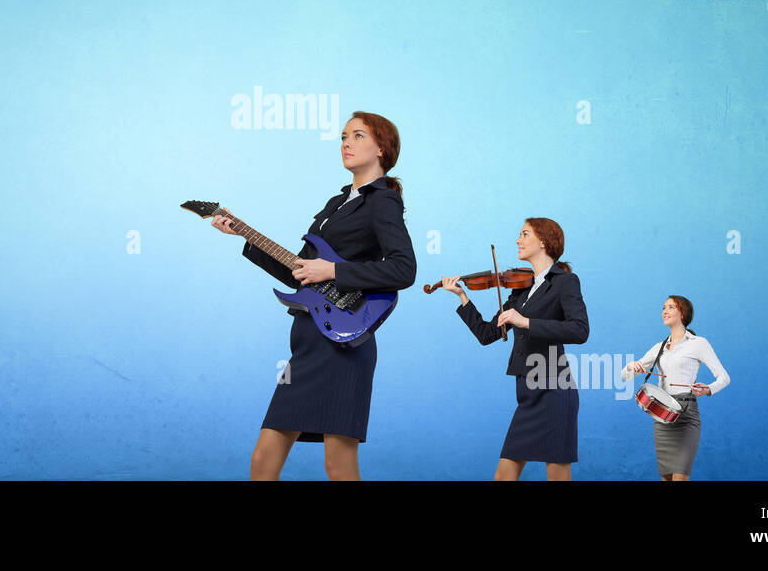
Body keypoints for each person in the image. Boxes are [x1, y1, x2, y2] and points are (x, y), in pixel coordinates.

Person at [210, 112, 415, 480]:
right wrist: (243, 235)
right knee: (262, 463)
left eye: (357, 135)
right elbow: (301, 273)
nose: (346, 143)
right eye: (342, 136)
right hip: (307, 340)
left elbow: (404, 269)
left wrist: (333, 270)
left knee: (339, 466)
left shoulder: (382, 201)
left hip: (344, 344)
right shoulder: (335, 204)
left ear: (381, 148)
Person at [441, 218, 588, 480]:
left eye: (524, 234)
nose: (518, 240)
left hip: (555, 388)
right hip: (527, 390)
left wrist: (526, 322)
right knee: (504, 476)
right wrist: (463, 297)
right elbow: (487, 334)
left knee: (557, 476)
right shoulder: (521, 289)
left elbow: (579, 330)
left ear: (543, 241)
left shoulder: (566, 281)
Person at [622, 295, 729, 481]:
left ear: (683, 313)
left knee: (680, 477)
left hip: (686, 415)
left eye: (670, 307)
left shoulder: (698, 343)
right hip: (662, 417)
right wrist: (631, 366)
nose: (664, 311)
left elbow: (724, 377)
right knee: (667, 478)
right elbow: (625, 375)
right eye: (663, 307)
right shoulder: (659, 347)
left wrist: (708, 389)